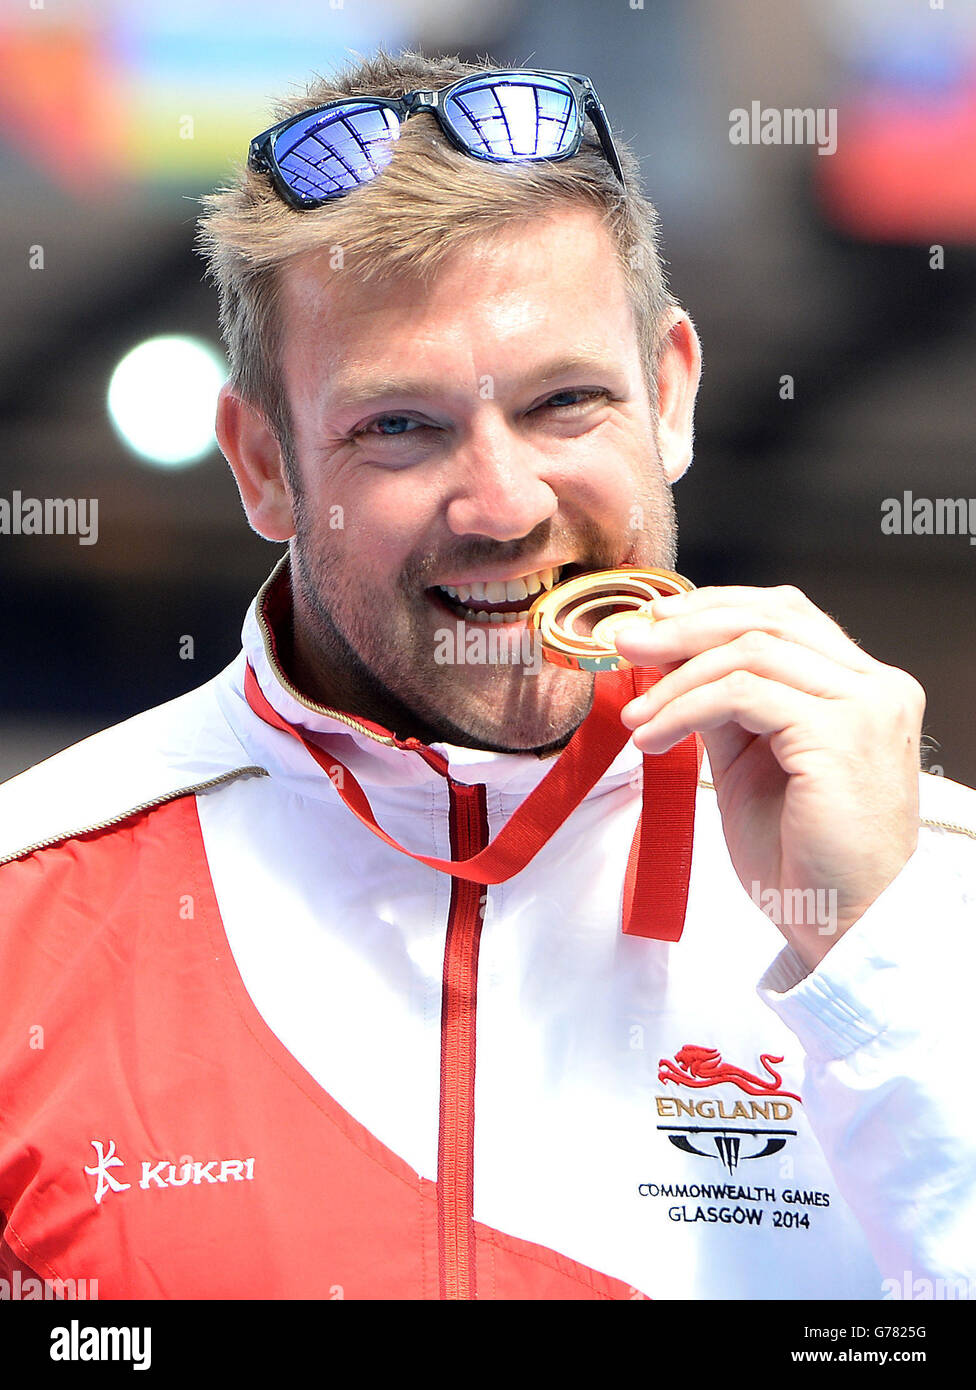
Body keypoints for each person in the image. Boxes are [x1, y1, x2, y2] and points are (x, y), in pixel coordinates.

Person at [0, 50, 974, 1303]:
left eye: (566, 402)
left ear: (668, 393)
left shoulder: (932, 895)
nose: (504, 505)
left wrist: (873, 970)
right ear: (263, 465)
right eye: (397, 425)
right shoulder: (30, 907)